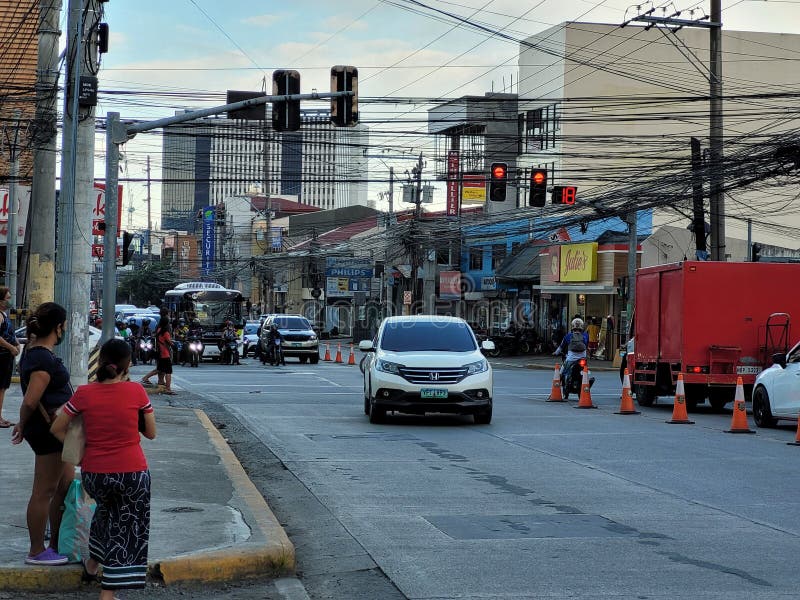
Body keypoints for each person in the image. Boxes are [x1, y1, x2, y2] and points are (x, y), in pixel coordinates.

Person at [50, 339, 156, 599]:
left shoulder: (85, 393)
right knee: (127, 528)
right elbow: (151, 433)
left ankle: (92, 564)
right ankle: (107, 593)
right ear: (126, 365)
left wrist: (83, 455)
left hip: (94, 473)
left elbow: (57, 428)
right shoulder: (137, 392)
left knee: (105, 514)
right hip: (132, 473)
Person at [10, 302, 74, 565]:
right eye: (65, 325)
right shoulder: (41, 358)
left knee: (64, 488)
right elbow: (30, 400)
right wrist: (22, 425)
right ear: (58, 327)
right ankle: (37, 550)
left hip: (59, 432)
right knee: (45, 490)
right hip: (51, 432)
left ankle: (57, 543)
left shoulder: (36, 352)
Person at [0, 286, 20, 428]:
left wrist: (17, 343)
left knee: (3, 388)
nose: (10, 301)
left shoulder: (4, 315)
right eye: (8, 298)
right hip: (1, 357)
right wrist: (11, 347)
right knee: (0, 388)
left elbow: (9, 334)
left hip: (6, 357)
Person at [554, 317, 589, 384]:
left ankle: (558, 383)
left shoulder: (568, 336)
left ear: (572, 326)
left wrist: (555, 353)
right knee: (585, 370)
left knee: (562, 369)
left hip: (571, 358)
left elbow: (561, 347)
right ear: (582, 326)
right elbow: (586, 345)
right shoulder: (585, 335)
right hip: (583, 358)